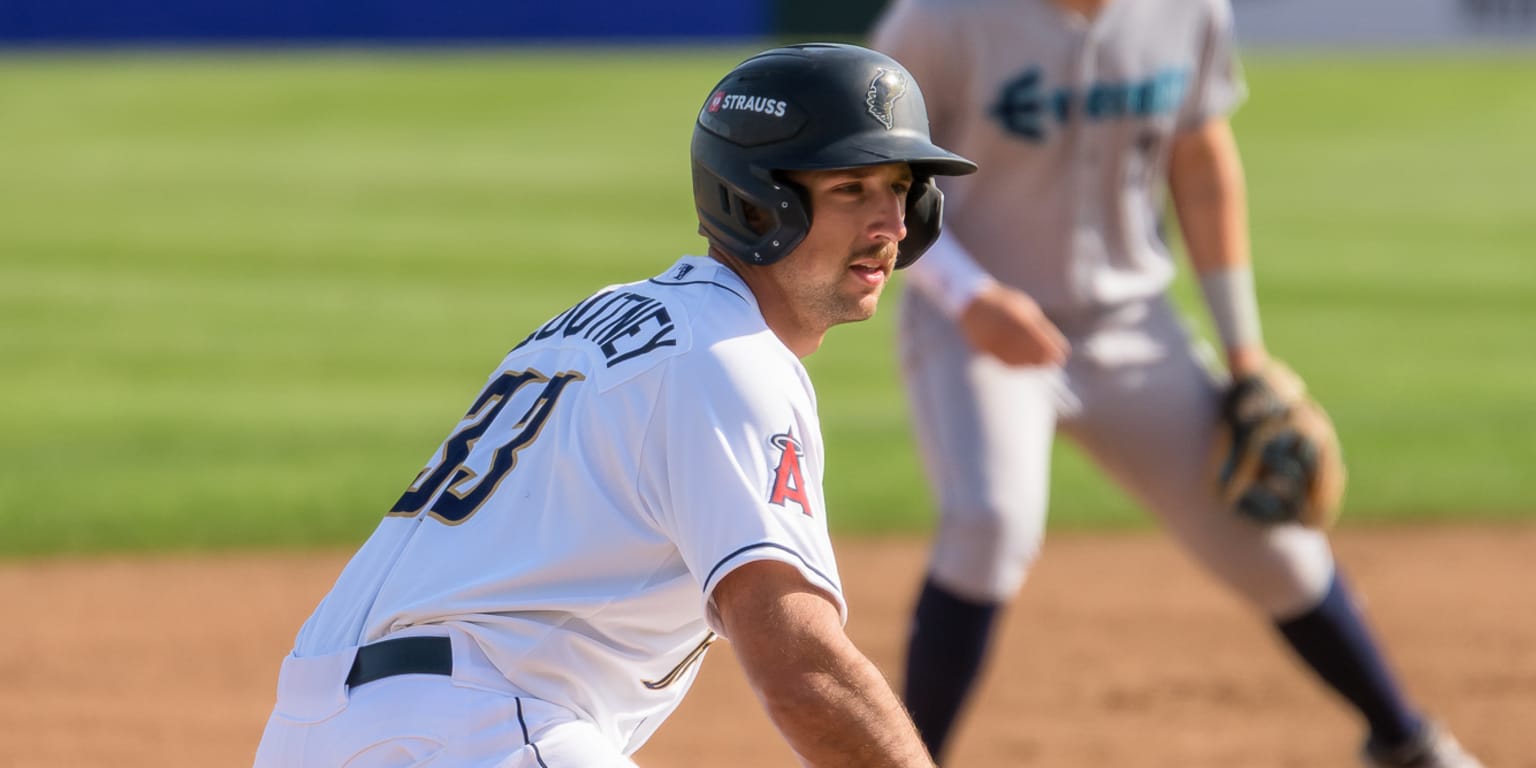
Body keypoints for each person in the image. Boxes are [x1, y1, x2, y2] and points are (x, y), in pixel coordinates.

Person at [251, 43, 976, 768]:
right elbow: (801, 666)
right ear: (761, 201)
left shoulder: (608, 318)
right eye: (853, 188)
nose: (893, 225)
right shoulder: (734, 358)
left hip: (315, 732)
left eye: (901, 188)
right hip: (476, 727)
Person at [870, 1, 1486, 766]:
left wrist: (1245, 354)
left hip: (1131, 324)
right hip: (977, 326)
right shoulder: (941, 19)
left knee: (1275, 546)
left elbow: (1199, 162)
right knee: (989, 523)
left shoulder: (1187, 11)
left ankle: (1405, 740)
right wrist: (969, 297)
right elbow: (877, 177)